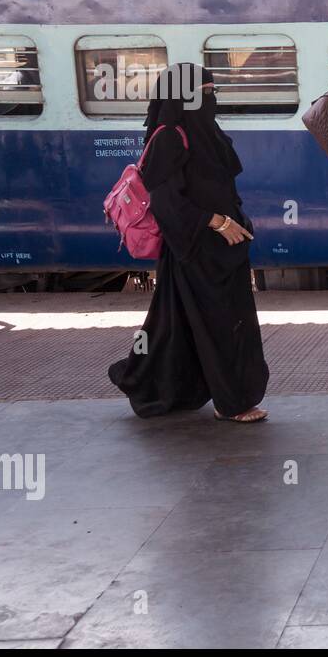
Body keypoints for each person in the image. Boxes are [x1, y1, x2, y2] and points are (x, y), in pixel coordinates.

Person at [108, 63, 269, 422]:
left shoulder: (204, 130)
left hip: (219, 250)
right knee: (222, 325)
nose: (212, 100)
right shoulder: (170, 137)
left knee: (172, 326)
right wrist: (217, 221)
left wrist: (234, 222)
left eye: (214, 92)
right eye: (206, 93)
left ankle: (146, 382)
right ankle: (233, 402)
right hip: (196, 250)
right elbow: (165, 200)